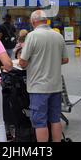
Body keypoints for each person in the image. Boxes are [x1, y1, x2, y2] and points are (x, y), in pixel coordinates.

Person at [19, 10, 69, 142]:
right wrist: (50, 61)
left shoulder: (32, 36)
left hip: (38, 87)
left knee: (40, 122)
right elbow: (65, 60)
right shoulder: (58, 35)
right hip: (56, 86)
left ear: (33, 21)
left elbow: (22, 63)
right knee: (55, 119)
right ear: (46, 20)